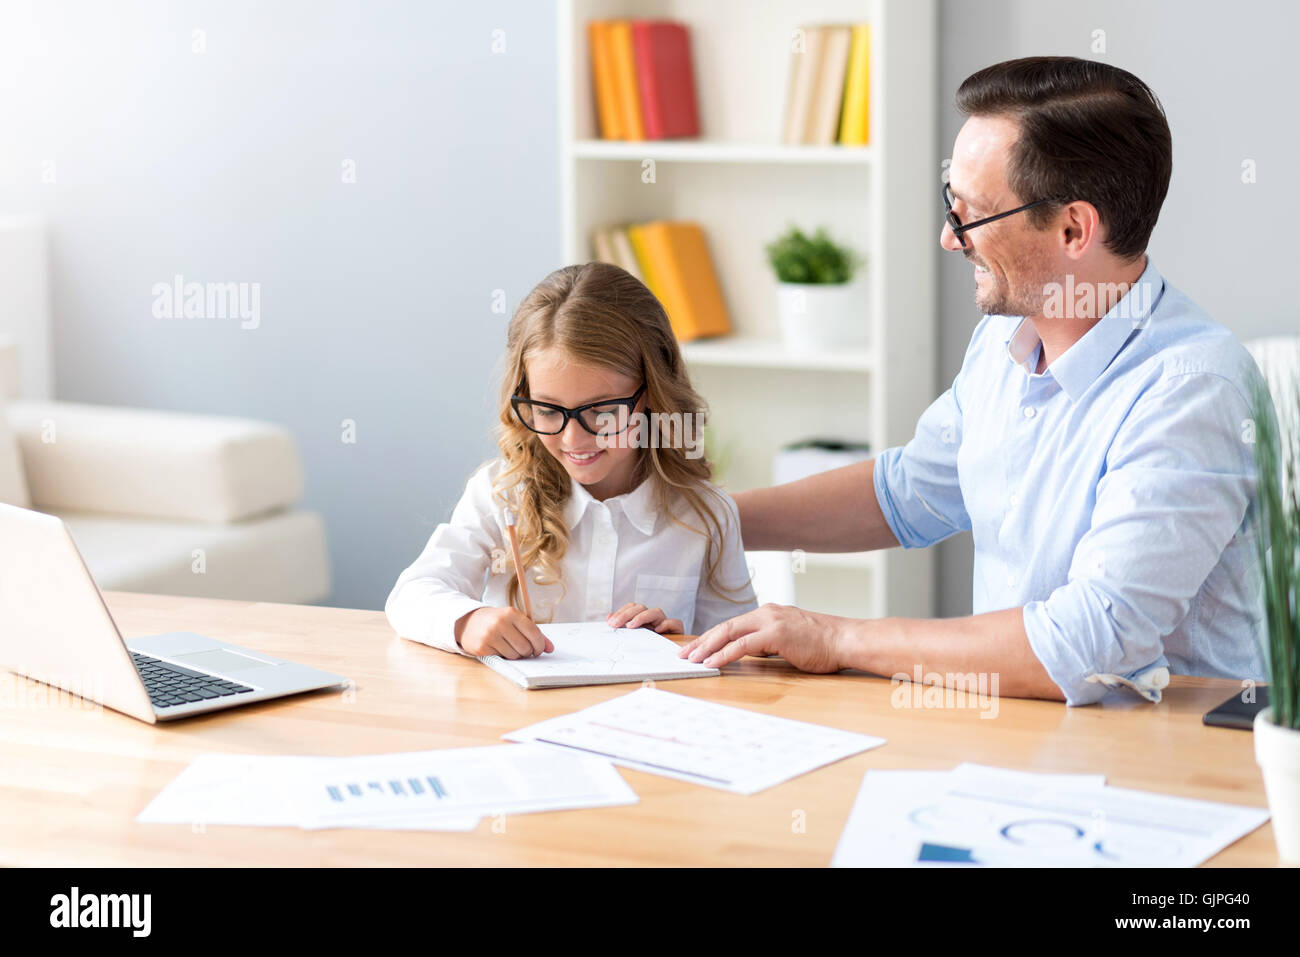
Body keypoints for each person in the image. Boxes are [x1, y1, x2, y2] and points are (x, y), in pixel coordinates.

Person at [680, 56, 1268, 705]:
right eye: (948, 202)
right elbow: (909, 493)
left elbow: (1089, 643)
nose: (947, 237)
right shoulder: (1003, 340)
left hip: (1165, 763)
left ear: (1075, 228)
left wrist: (838, 638)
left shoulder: (1192, 387)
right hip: (1015, 731)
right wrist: (710, 521)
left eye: (971, 215)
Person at [386, 261, 756, 659]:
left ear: (651, 394)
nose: (572, 438)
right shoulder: (502, 495)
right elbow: (411, 595)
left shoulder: (706, 516)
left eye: (601, 411)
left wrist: (682, 644)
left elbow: (742, 653)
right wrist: (468, 622)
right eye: (547, 410)